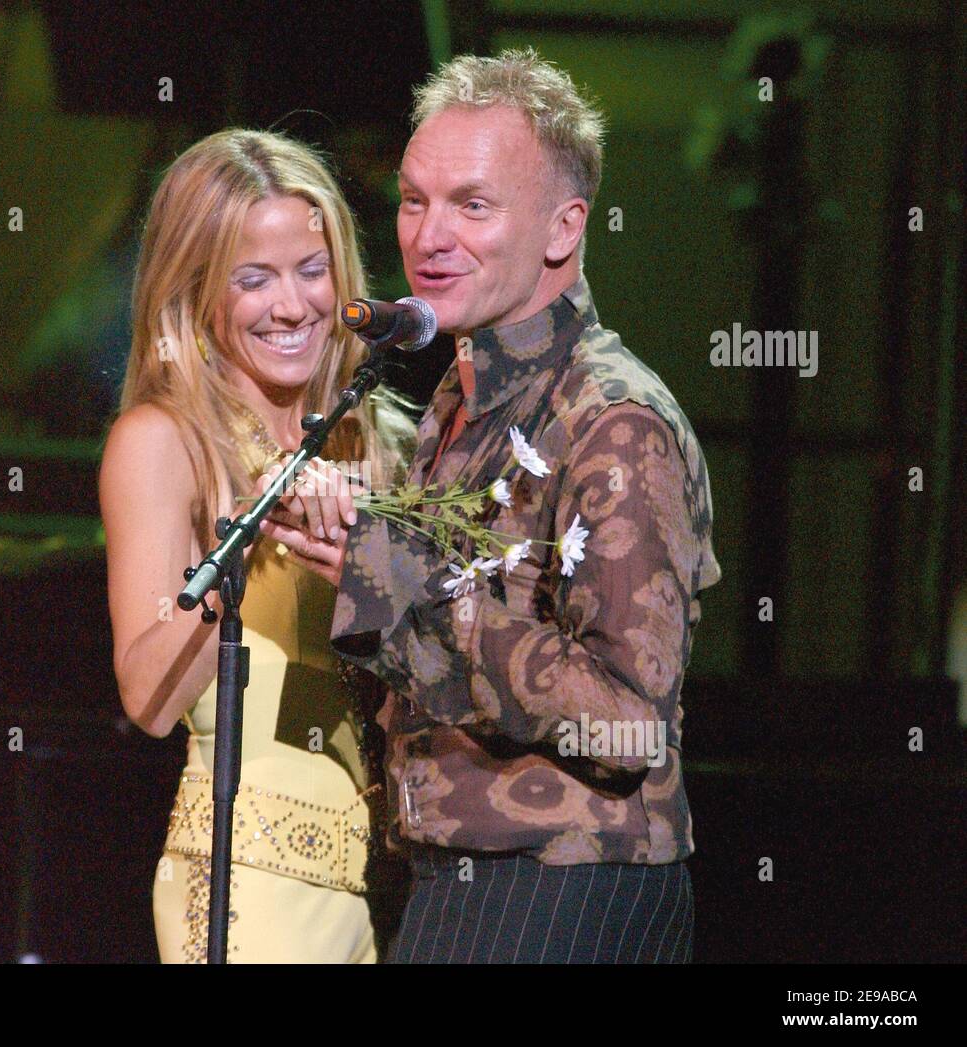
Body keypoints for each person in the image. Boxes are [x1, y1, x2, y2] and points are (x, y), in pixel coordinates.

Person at [259, 48, 722, 963]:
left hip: (563, 887)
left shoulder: (615, 422)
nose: (429, 235)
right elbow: (446, 649)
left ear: (562, 228)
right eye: (415, 199)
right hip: (458, 879)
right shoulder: (460, 397)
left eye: (473, 205)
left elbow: (628, 721)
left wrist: (405, 578)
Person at [98, 129, 416, 963]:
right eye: (254, 280)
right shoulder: (164, 441)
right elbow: (148, 695)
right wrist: (257, 524)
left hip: (394, 891)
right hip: (253, 887)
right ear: (197, 291)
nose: (291, 306)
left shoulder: (382, 439)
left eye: (312, 273)